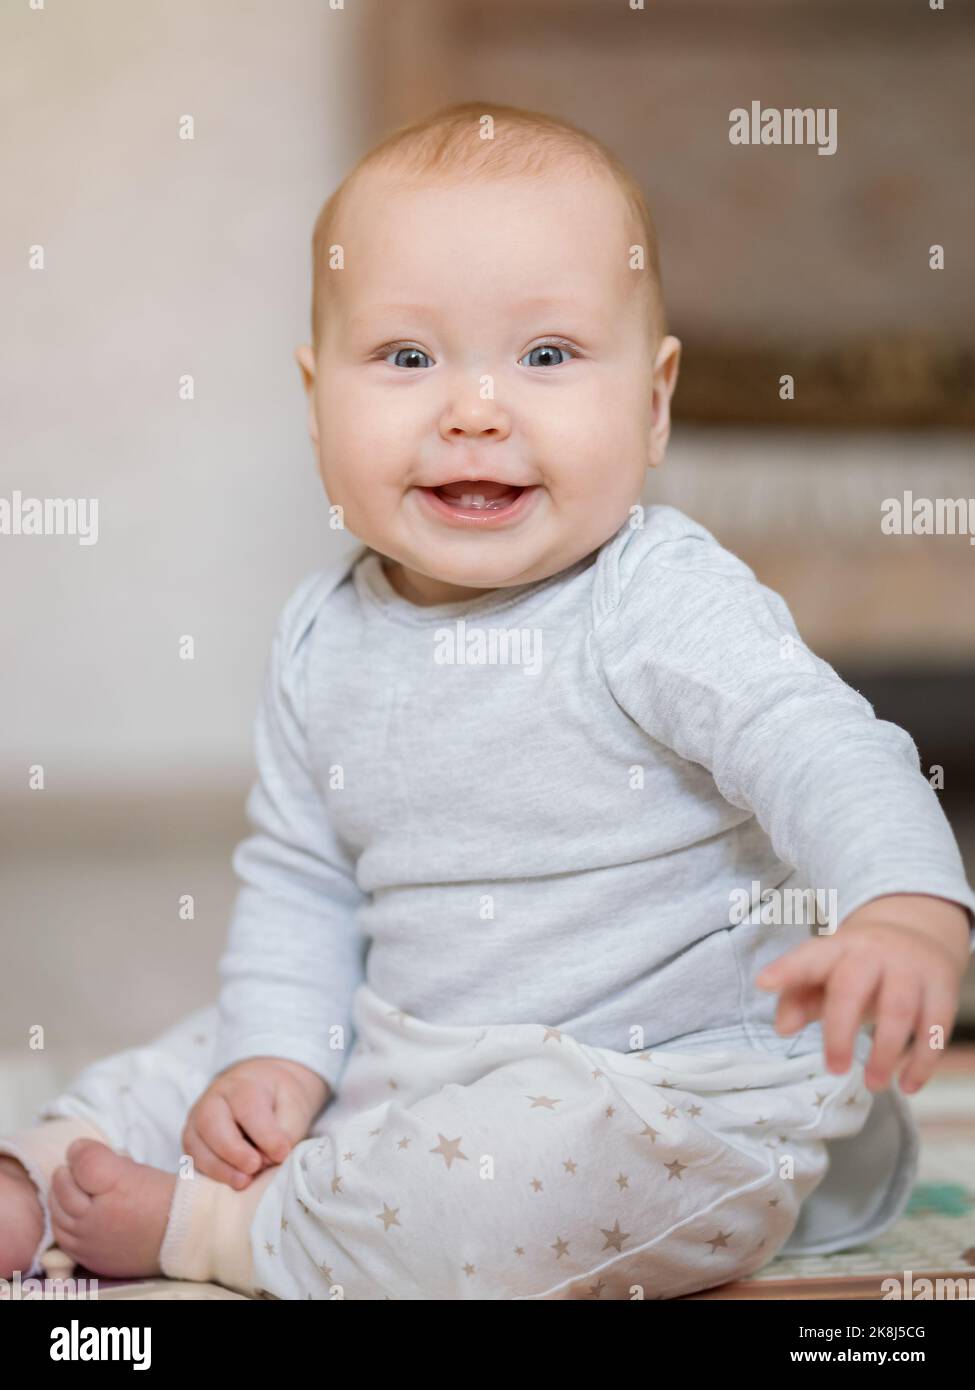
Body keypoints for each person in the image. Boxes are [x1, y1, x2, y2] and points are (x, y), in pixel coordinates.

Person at [2, 101, 972, 1301]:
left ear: (654, 403)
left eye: (547, 356)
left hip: (663, 1091)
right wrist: (272, 1060)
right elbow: (303, 881)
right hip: (406, 1045)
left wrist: (906, 908)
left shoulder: (656, 600)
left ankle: (218, 1238)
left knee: (525, 1185)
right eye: (407, 359)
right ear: (317, 404)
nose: (474, 408)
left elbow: (822, 746)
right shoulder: (324, 635)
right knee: (197, 1056)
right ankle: (39, 1176)